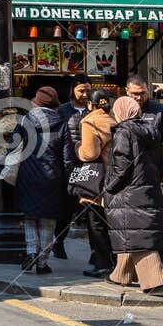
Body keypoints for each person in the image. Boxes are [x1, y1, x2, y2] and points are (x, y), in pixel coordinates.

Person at [104, 95, 163, 296]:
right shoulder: (150, 131)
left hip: (130, 192)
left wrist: (109, 187)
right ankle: (121, 274)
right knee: (132, 231)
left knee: (139, 236)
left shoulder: (124, 132)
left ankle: (156, 282)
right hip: (147, 188)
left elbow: (122, 165)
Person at [14, 86, 69, 274]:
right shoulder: (61, 123)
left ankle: (31, 253)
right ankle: (43, 262)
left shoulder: (24, 121)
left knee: (30, 216)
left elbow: (13, 147)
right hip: (52, 175)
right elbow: (67, 155)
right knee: (48, 219)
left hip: (27, 173)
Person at [70, 88, 118, 277]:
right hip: (114, 175)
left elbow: (90, 154)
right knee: (111, 222)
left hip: (97, 178)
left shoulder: (89, 122)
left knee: (96, 222)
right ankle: (115, 262)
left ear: (90, 104)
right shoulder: (114, 119)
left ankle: (102, 263)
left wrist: (78, 149)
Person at [52, 79, 92, 259]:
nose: (85, 94)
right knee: (65, 208)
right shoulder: (63, 111)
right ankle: (58, 242)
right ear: (72, 90)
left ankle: (95, 250)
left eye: (88, 90)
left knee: (91, 208)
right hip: (69, 165)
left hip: (91, 165)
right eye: (81, 90)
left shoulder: (95, 110)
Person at [126, 77, 163, 185]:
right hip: (128, 170)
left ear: (148, 90)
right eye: (135, 94)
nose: (139, 97)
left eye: (143, 93)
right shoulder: (120, 110)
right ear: (127, 91)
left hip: (154, 169)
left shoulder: (159, 110)